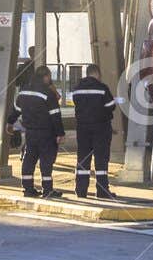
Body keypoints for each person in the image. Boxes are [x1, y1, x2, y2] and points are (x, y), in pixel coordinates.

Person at [7, 64, 65, 199]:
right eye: (49, 77)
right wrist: (60, 133)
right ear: (46, 77)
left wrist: (9, 123)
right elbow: (55, 115)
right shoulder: (48, 94)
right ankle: (47, 190)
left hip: (30, 132)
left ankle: (28, 188)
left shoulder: (24, 92)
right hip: (46, 133)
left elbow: (16, 110)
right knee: (46, 161)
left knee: (29, 159)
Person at [70, 63, 119, 201]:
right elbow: (111, 106)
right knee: (101, 159)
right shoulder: (102, 88)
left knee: (83, 158)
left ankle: (81, 190)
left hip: (82, 128)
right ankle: (102, 190)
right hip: (100, 128)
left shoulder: (77, 89)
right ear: (97, 73)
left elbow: (76, 104)